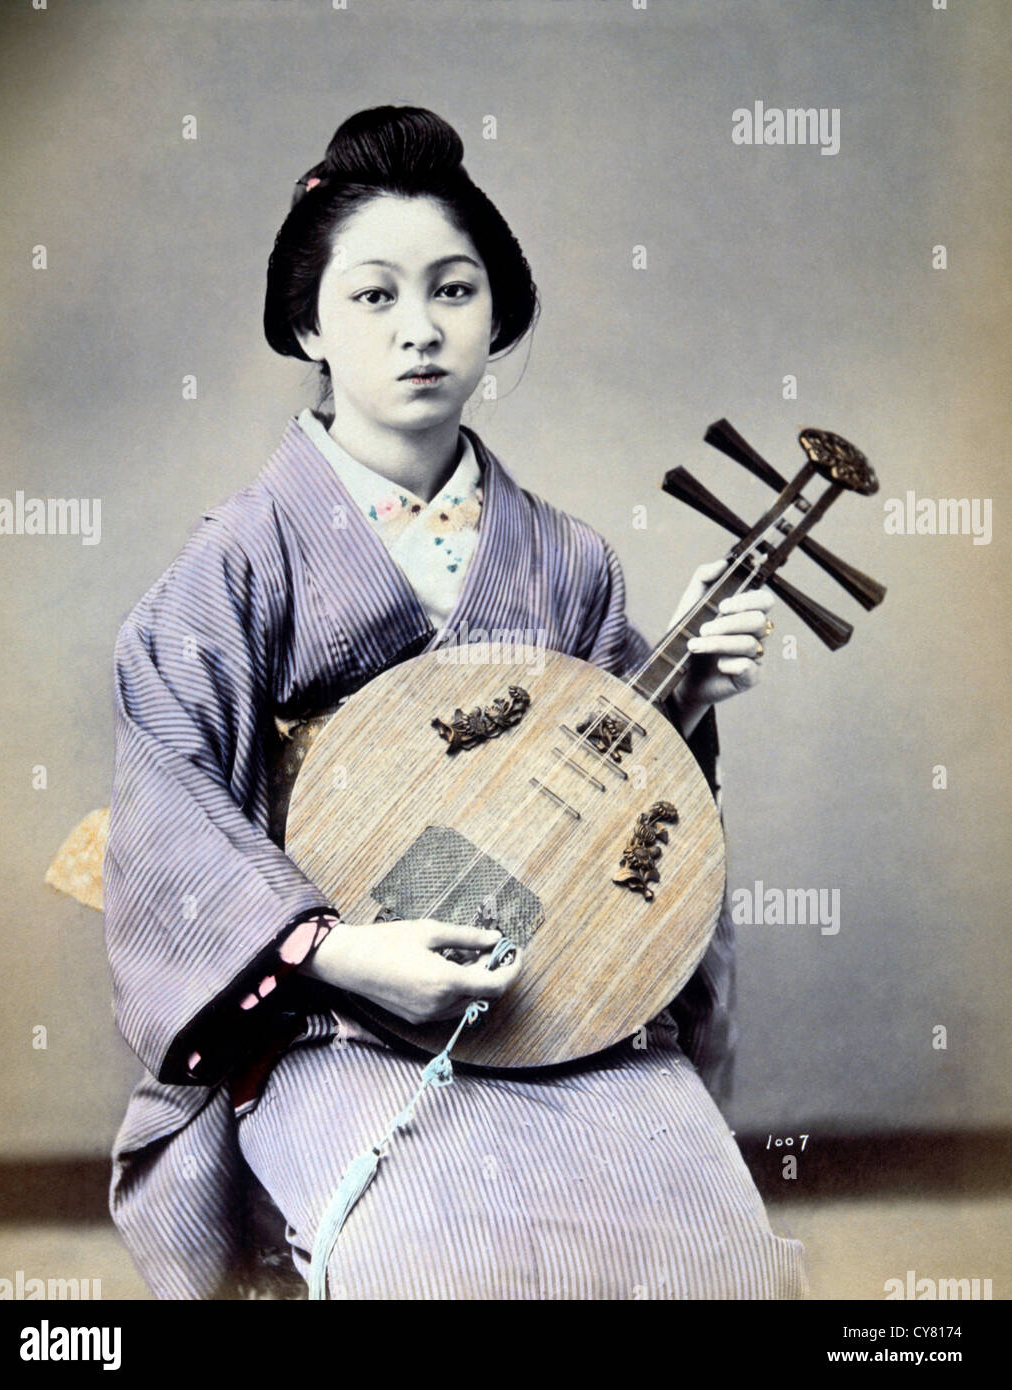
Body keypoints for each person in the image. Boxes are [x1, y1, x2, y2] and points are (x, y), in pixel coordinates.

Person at [103, 104, 807, 1300]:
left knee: (723, 1262)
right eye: (373, 297)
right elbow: (171, 806)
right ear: (306, 324)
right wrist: (337, 951)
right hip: (335, 1017)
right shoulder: (241, 559)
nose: (419, 331)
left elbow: (623, 817)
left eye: (454, 290)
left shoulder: (569, 561)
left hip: (556, 1003)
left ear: (496, 314)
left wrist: (677, 694)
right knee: (433, 1262)